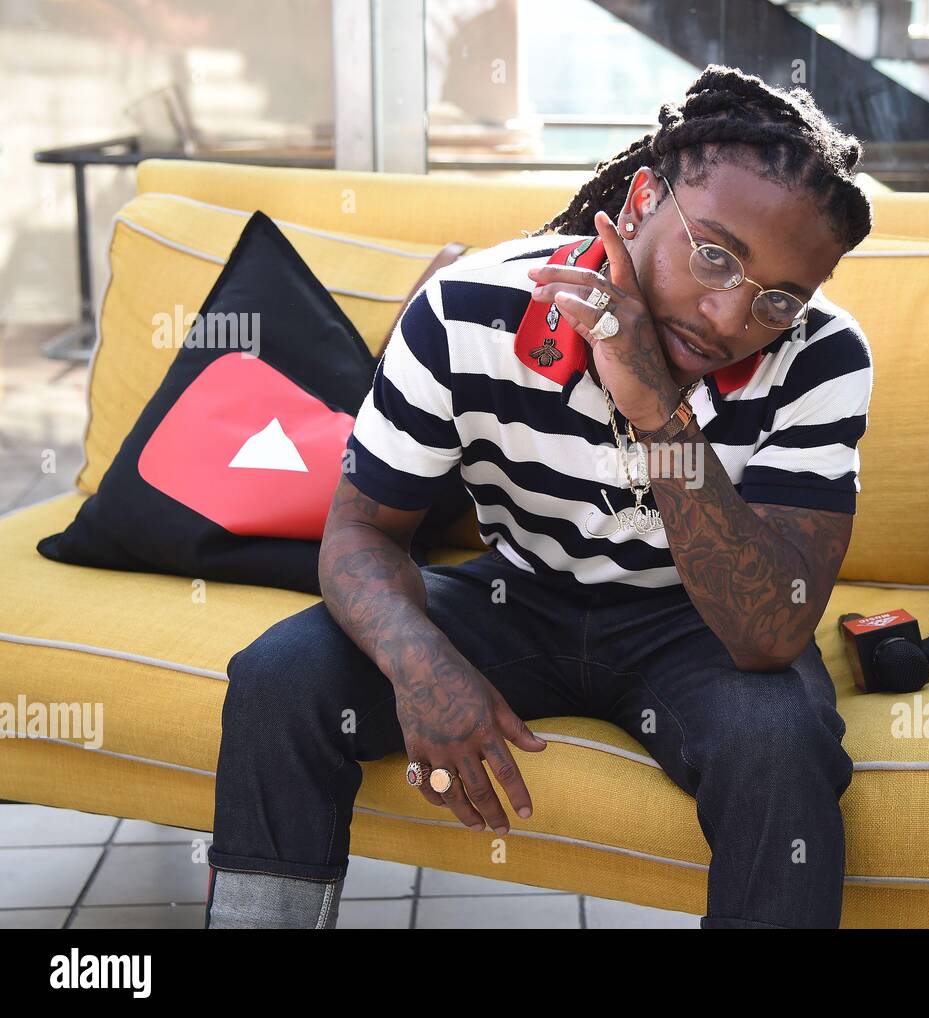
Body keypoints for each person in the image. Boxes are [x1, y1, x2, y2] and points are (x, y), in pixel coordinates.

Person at [205, 63, 875, 930]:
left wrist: (657, 412)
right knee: (278, 678)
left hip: (700, 626)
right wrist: (420, 662)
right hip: (513, 595)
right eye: (714, 253)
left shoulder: (820, 358)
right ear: (637, 204)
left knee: (780, 750)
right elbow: (361, 535)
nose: (724, 315)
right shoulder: (468, 310)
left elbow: (771, 630)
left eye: (776, 299)